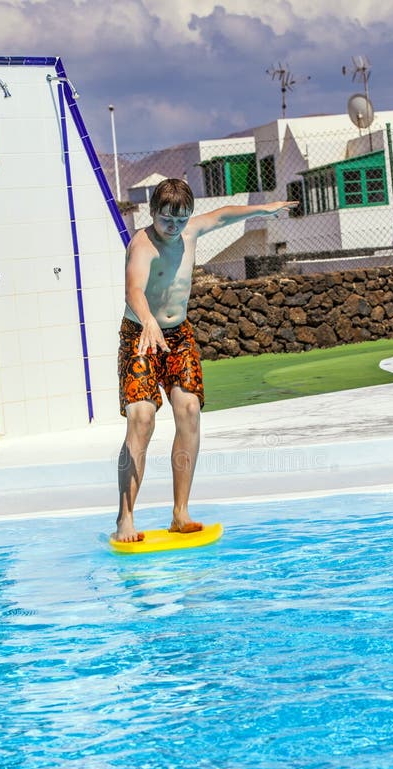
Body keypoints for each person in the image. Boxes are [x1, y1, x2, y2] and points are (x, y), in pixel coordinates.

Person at [112, 177, 298, 543]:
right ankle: (125, 518)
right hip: (141, 335)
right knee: (142, 418)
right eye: (167, 219)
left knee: (189, 411)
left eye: (181, 220)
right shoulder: (142, 244)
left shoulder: (190, 230)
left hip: (179, 336)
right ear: (154, 213)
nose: (174, 227)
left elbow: (225, 215)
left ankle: (180, 512)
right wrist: (148, 320)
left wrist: (264, 208)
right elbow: (134, 288)